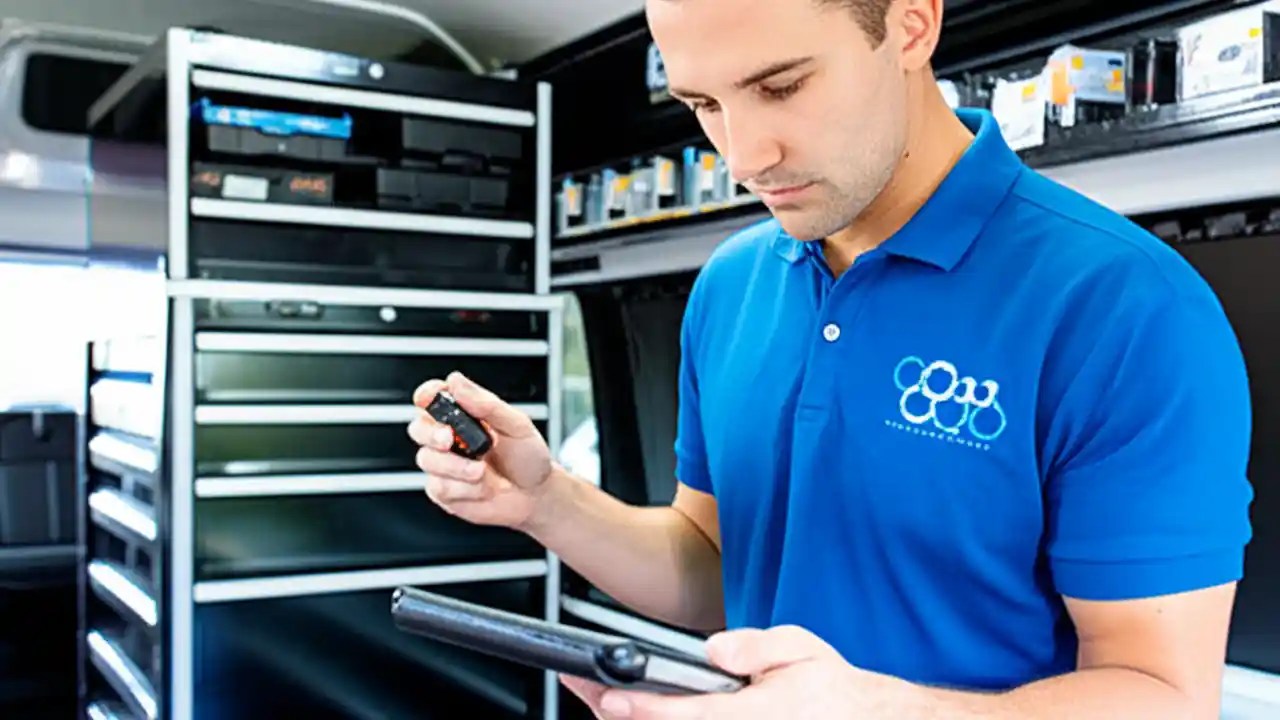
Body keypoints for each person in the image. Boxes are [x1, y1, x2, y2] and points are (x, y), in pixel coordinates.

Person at [408, 0, 1254, 717]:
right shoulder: (730, 286)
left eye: (782, 86)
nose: (742, 156)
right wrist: (547, 503)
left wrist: (881, 711)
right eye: (703, 103)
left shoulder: (1125, 307)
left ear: (912, 24)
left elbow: (1162, 693)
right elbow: (714, 565)